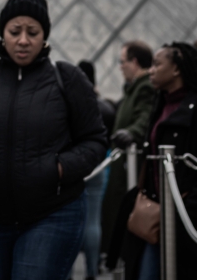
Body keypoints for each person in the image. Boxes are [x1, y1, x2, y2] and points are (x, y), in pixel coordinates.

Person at [0, 0, 107, 280]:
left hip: (53, 212)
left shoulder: (68, 78)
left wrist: (57, 169)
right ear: (1, 34)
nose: (23, 39)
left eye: (32, 32)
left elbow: (95, 140)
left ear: (45, 36)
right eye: (15, 31)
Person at [125, 42, 197, 280]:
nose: (151, 70)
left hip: (190, 223)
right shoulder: (162, 104)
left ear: (176, 69)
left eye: (157, 64)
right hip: (158, 219)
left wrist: (185, 212)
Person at [101, 40, 155, 264]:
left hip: (130, 168)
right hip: (124, 163)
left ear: (134, 62)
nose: (120, 67)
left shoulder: (144, 87)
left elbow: (143, 118)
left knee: (123, 216)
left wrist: (130, 133)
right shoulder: (135, 87)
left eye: (122, 62)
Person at [77, 59, 116, 280]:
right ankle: (92, 271)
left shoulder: (71, 105)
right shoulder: (105, 108)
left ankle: (68, 272)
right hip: (99, 165)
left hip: (76, 167)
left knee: (72, 219)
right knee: (93, 220)